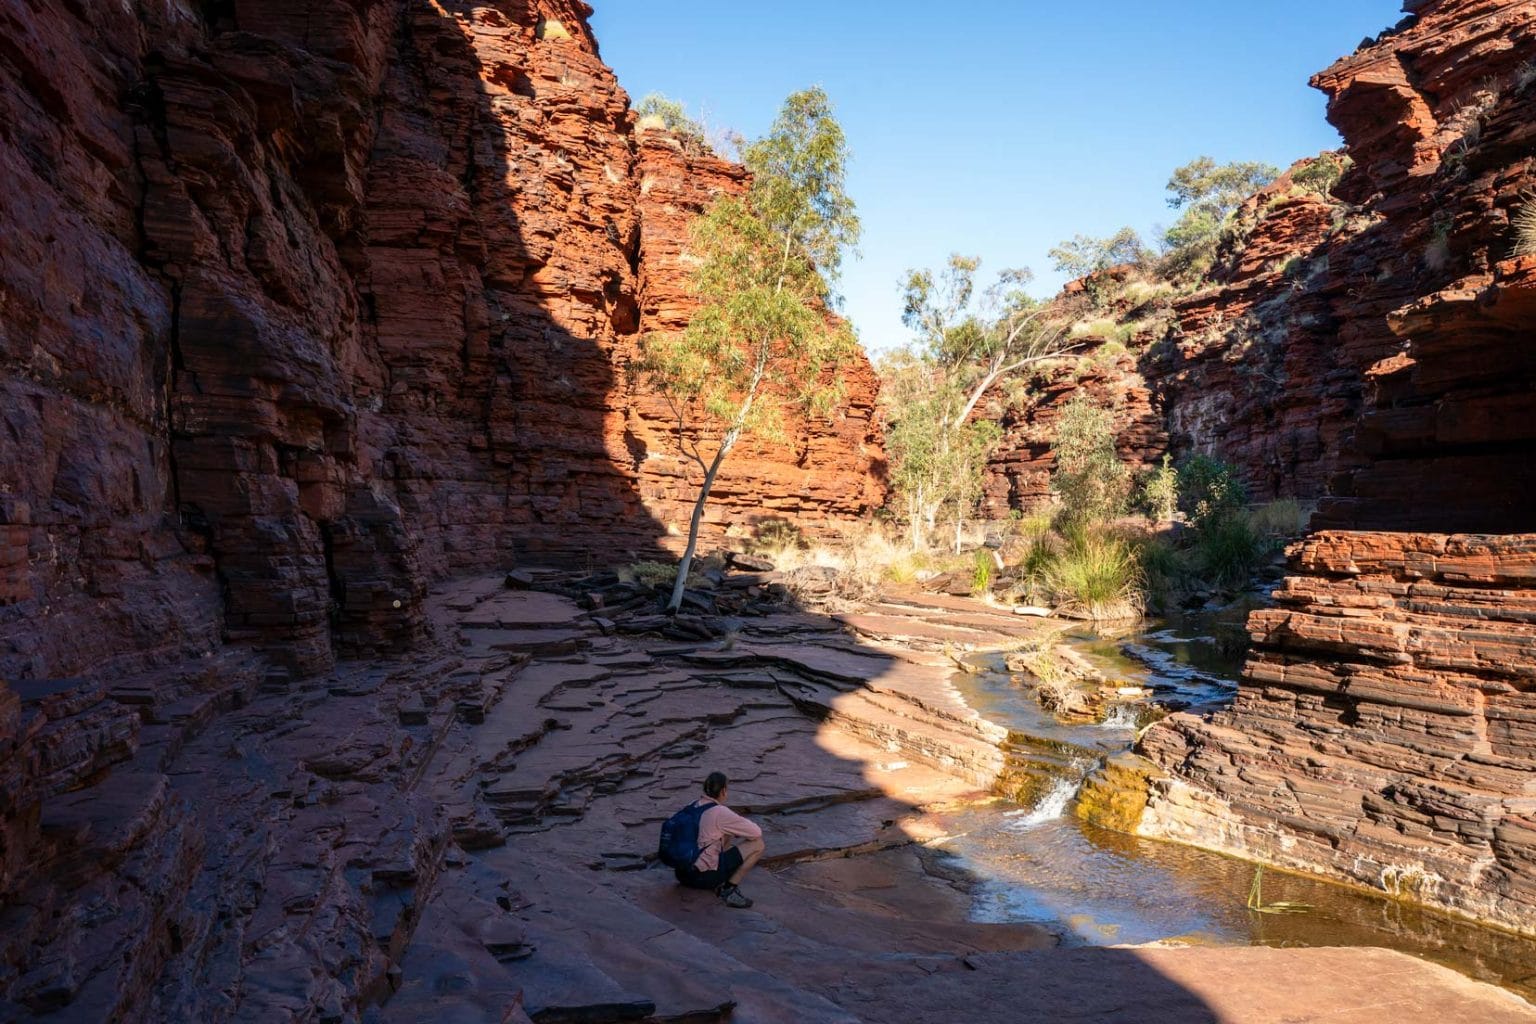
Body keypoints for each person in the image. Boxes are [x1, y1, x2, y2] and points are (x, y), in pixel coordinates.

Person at [674, 771, 764, 908]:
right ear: (723, 791)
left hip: (681, 874)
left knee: (726, 833)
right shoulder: (720, 812)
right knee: (758, 845)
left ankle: (717, 873)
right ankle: (728, 890)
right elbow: (756, 833)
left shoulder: (692, 805)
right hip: (702, 878)